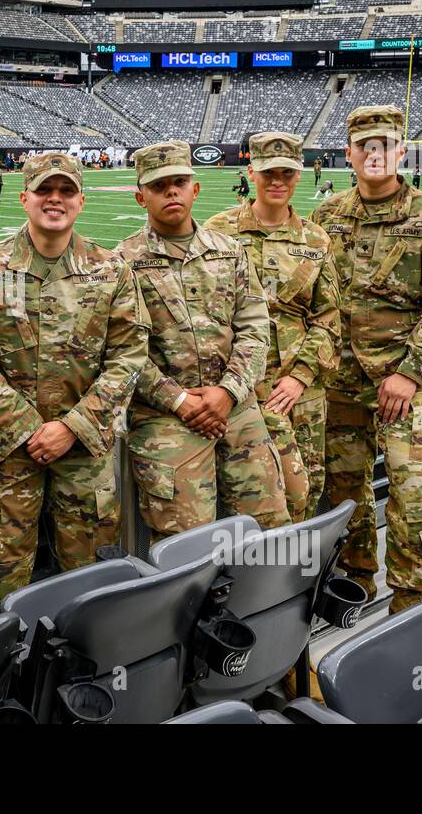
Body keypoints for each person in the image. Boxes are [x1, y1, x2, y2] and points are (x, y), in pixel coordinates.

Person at [0, 152, 148, 615]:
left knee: (89, 580)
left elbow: (129, 355)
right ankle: (5, 676)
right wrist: (27, 427)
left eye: (65, 191)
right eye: (44, 190)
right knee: (2, 577)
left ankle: (81, 674)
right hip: (7, 453)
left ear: (81, 201)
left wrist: (73, 426)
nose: (54, 200)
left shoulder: (110, 269)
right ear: (25, 198)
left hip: (84, 452)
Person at [312, 106, 422, 614]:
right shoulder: (328, 215)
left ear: (400, 152)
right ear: (350, 154)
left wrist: (410, 372)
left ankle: (411, 597)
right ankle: (357, 576)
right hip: (338, 377)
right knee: (343, 486)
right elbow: (315, 295)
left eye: (384, 144)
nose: (373, 152)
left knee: (410, 489)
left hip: (402, 379)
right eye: (364, 145)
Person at [116, 141, 288, 545]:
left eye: (179, 182)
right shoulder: (120, 262)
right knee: (186, 541)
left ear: (196, 190)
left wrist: (227, 393)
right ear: (142, 197)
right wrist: (180, 401)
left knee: (270, 529)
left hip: (238, 407)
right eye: (159, 186)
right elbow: (123, 351)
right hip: (165, 417)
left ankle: (257, 608)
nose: (171, 192)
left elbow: (254, 327)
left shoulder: (230, 252)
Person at [203, 132, 340, 525]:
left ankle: (292, 580)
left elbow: (329, 318)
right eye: (269, 172)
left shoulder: (316, 239)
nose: (278, 180)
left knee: (306, 489)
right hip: (239, 390)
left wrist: (299, 377)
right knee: (239, 493)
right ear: (252, 173)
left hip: (300, 392)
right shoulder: (218, 231)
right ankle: (245, 582)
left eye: (287, 172)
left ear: (299, 175)